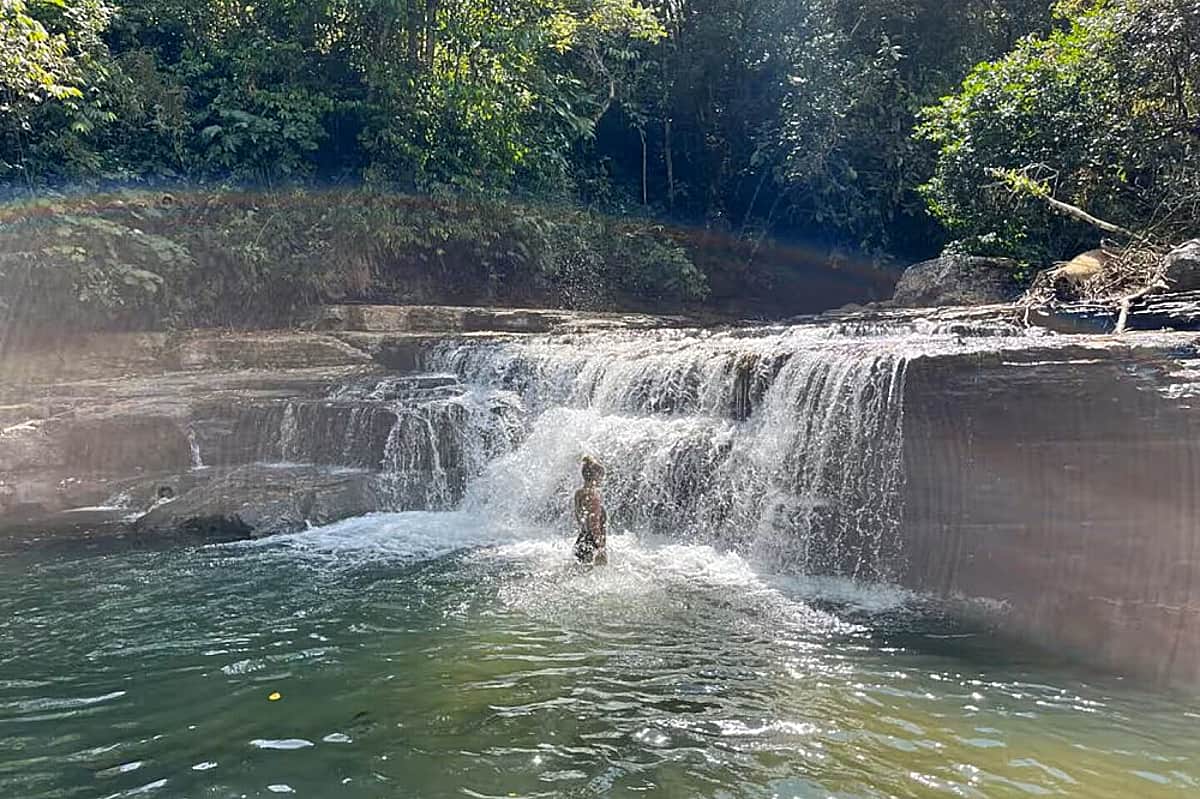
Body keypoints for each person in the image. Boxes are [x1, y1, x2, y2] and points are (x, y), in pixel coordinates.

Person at [573, 455, 608, 565]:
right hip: (592, 545)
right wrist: (600, 548)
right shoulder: (593, 495)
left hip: (582, 540)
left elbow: (579, 519)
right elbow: (594, 523)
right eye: (601, 476)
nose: (602, 480)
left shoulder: (579, 493)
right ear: (596, 476)